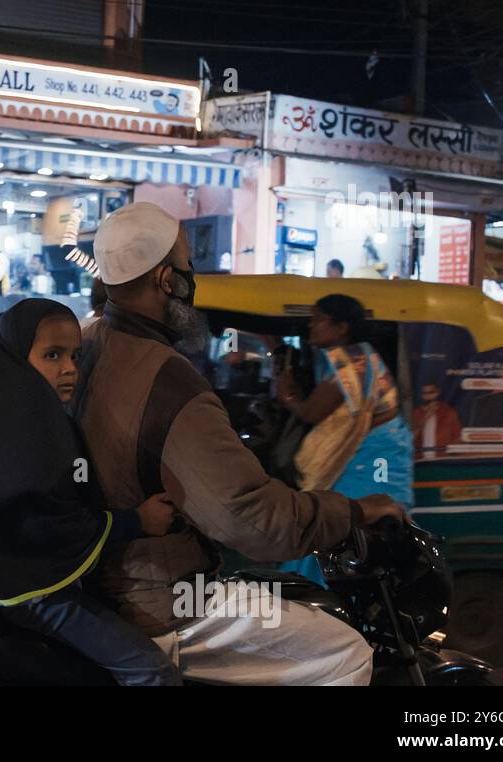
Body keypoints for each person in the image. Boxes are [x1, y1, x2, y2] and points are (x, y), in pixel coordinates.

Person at [73, 202, 404, 685]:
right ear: (167, 280)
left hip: (92, 581)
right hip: (155, 599)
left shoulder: (82, 343)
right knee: (347, 653)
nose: (191, 278)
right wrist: (353, 513)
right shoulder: (168, 380)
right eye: (188, 266)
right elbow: (251, 520)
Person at [0, 298, 181, 686]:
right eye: (52, 355)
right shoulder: (25, 423)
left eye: (76, 356)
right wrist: (136, 520)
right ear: (14, 355)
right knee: (152, 671)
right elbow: (43, 523)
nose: (69, 369)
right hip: (24, 587)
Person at [275, 294, 414, 584]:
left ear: (342, 327)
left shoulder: (352, 362)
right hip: (373, 449)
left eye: (318, 320)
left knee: (337, 523)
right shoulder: (345, 356)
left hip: (372, 456)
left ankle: (323, 592)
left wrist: (287, 396)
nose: (311, 327)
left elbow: (312, 412)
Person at [412, 382, 462, 460]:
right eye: (425, 393)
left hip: (442, 461)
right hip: (421, 462)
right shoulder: (416, 413)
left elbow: (457, 438)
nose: (428, 396)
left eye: (431, 392)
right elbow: (410, 439)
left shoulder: (448, 412)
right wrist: (425, 418)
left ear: (438, 392)